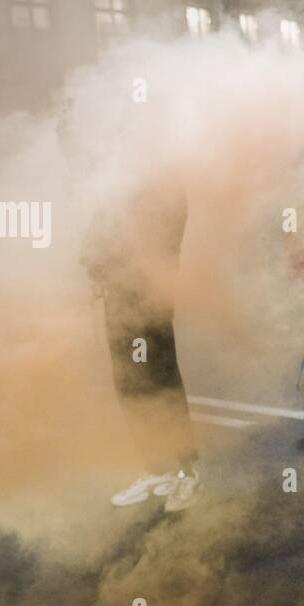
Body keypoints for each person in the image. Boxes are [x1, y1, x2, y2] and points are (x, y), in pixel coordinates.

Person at [81, 173, 202, 512]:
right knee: (129, 382)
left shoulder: (162, 185)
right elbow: (101, 232)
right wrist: (97, 268)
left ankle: (184, 472)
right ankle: (158, 468)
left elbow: (154, 244)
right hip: (119, 294)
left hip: (146, 296)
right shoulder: (119, 178)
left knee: (157, 378)